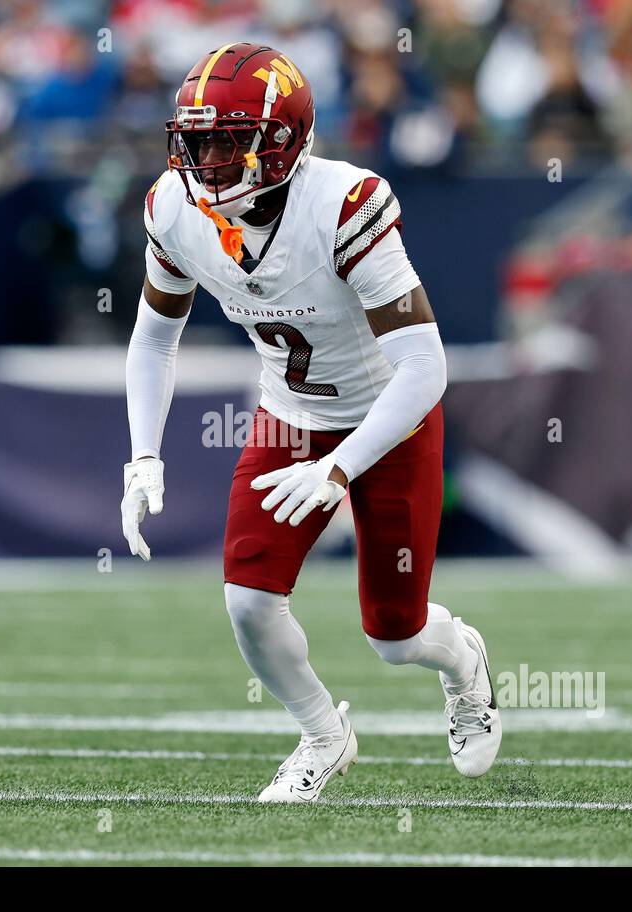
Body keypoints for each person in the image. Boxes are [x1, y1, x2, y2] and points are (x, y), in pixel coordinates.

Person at [120, 43, 501, 803]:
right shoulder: (174, 209)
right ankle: (324, 735)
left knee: (393, 639)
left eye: (226, 141)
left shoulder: (345, 205)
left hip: (389, 420)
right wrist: (142, 457)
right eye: (195, 142)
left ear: (282, 143)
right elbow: (155, 335)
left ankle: (463, 662)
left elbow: (425, 366)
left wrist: (339, 468)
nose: (205, 161)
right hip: (289, 417)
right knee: (249, 603)